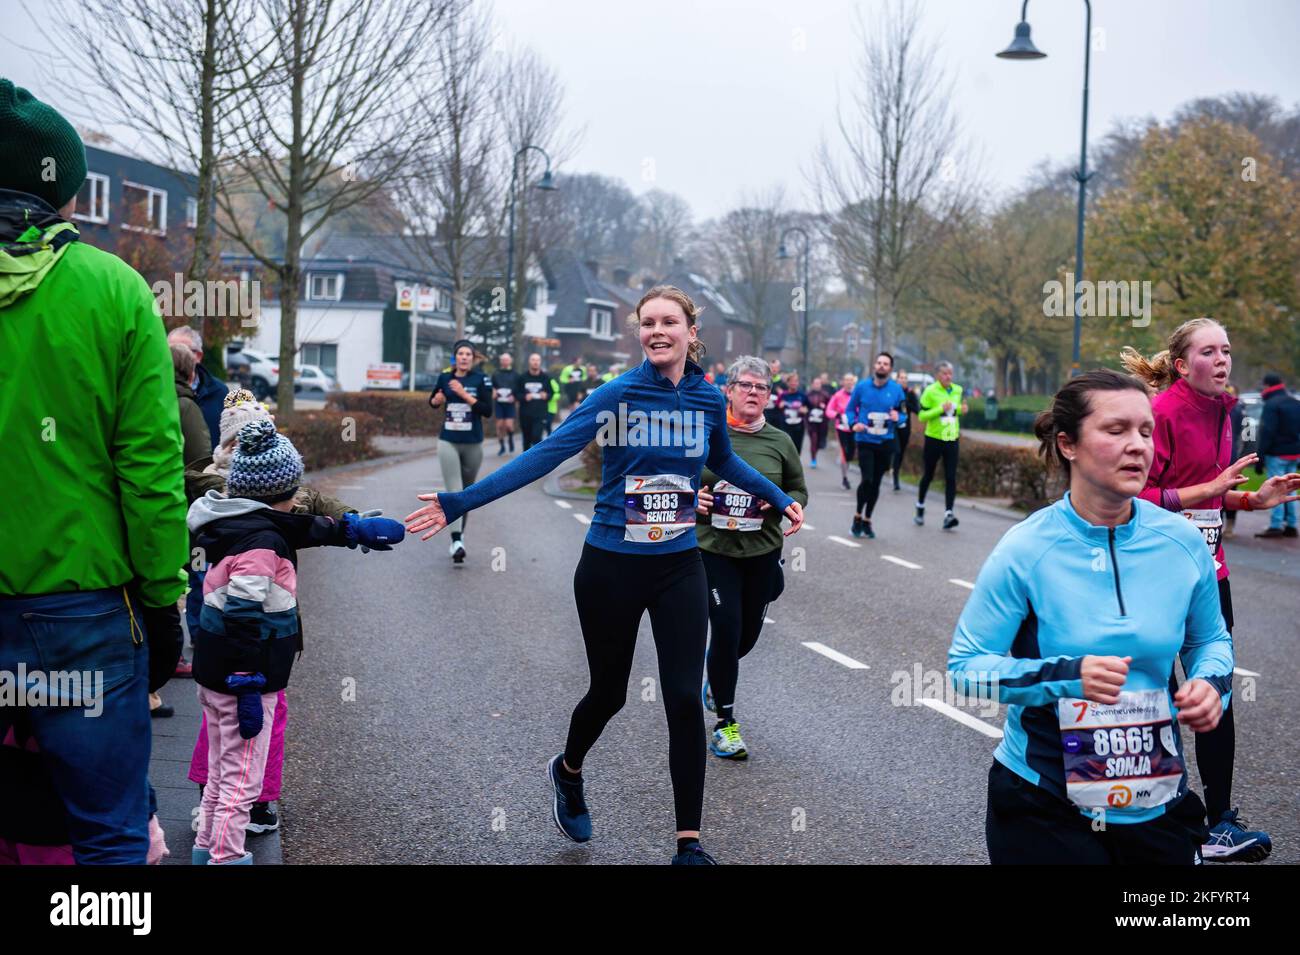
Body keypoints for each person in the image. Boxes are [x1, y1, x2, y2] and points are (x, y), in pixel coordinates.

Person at [404, 285, 804, 865]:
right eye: (647, 323)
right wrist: (462, 499)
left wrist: (776, 496)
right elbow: (548, 452)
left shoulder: (708, 399)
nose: (658, 331)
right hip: (611, 566)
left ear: (692, 332)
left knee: (683, 700)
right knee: (609, 692)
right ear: (639, 332)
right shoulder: (616, 395)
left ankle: (688, 845)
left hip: (679, 565)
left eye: (669, 321)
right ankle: (568, 771)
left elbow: (725, 459)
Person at [0, 79, 187, 863]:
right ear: (63, 189)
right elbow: (150, 465)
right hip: (82, 612)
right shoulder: (114, 289)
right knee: (110, 831)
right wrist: (165, 595)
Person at [951, 369, 1234, 864]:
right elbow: (967, 667)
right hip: (1045, 802)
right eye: (1116, 430)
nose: (1138, 446)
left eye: (1146, 431)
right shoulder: (1026, 549)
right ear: (1068, 444)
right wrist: (1068, 676)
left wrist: (1212, 684)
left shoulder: (1182, 543)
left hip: (1154, 799)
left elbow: (1210, 640)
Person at [1121, 321, 1299, 860]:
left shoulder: (1226, 410)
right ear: (1182, 364)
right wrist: (1211, 489)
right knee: (1146, 697)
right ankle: (1141, 819)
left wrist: (1253, 502)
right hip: (1150, 575)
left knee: (1213, 695)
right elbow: (1132, 496)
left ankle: (1219, 823)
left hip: (1208, 576)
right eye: (1208, 351)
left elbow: (1211, 500)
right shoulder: (1163, 414)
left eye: (1226, 350)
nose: (1222, 360)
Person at [188, 421, 404, 864]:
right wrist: (247, 680)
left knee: (219, 773)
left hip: (215, 674)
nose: (299, 496)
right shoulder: (263, 545)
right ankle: (226, 859)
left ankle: (205, 846)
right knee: (241, 779)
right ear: (280, 492)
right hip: (245, 679)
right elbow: (244, 615)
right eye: (294, 488)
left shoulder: (243, 522)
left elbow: (300, 527)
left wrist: (350, 529)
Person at [695, 357, 808, 759]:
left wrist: (784, 505)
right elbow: (679, 482)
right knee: (725, 627)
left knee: (744, 638)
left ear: (769, 396)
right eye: (745, 385)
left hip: (762, 552)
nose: (753, 393)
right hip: (713, 551)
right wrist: (696, 500)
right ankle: (725, 725)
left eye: (761, 388)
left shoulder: (780, 442)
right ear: (728, 390)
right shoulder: (708, 435)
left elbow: (797, 489)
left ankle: (716, 674)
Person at [428, 340, 493, 564]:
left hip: (473, 443)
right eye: (460, 354)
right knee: (454, 491)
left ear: (473, 358)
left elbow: (487, 411)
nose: (464, 357)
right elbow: (434, 400)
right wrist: (436, 401)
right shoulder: (445, 378)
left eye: (468, 354)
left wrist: (464, 394)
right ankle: (456, 541)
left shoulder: (481, 379)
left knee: (466, 494)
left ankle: (459, 534)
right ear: (455, 357)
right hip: (448, 441)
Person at [847, 353, 905, 539]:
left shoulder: (896, 390)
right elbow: (850, 409)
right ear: (874, 366)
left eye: (885, 364)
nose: (881, 366)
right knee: (867, 479)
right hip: (865, 440)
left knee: (877, 482)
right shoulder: (862, 386)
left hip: (885, 442)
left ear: (890, 368)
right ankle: (857, 516)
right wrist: (853, 423)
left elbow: (903, 414)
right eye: (879, 363)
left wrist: (899, 417)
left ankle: (867, 519)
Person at [915, 361, 967, 530]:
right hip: (934, 438)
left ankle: (948, 514)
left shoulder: (957, 390)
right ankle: (920, 506)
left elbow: (955, 410)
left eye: (950, 373)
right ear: (938, 375)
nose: (948, 376)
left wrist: (961, 409)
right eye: (945, 373)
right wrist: (939, 409)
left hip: (952, 438)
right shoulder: (930, 391)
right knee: (928, 475)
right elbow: (922, 416)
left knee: (951, 477)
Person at [167, 325, 227, 453]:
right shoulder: (156, 391)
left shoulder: (219, 392)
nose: (172, 356)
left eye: (181, 350)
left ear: (198, 356)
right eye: (169, 350)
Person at [1254, 373, 1300, 539]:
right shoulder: (1295, 402)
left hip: (1277, 453)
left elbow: (1267, 432)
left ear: (1267, 386)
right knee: (1291, 488)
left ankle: (1275, 525)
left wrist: (1260, 457)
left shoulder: (1272, 405)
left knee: (1276, 489)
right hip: (1294, 452)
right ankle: (1292, 525)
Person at [517, 353, 557, 451]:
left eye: (537, 360)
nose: (535, 362)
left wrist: (546, 395)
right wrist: (524, 397)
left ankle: (536, 461)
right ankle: (524, 461)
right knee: (526, 439)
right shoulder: (522, 377)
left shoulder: (546, 377)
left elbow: (551, 393)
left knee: (536, 437)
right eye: (533, 360)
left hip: (540, 413)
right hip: (525, 413)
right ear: (529, 362)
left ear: (540, 362)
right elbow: (516, 394)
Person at [826, 373, 857, 490]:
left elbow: (862, 408)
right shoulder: (837, 395)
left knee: (851, 453)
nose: (849, 383)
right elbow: (828, 410)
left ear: (853, 382)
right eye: (846, 380)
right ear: (843, 382)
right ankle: (845, 478)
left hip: (854, 427)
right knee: (844, 452)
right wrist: (837, 415)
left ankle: (847, 466)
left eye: (851, 380)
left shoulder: (856, 395)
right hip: (841, 428)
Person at [892, 370, 920, 492]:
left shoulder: (910, 393)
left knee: (901, 451)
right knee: (896, 450)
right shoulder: (891, 392)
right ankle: (895, 479)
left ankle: (895, 470)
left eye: (905, 378)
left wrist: (907, 403)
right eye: (901, 378)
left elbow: (917, 410)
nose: (903, 380)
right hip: (892, 426)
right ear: (896, 380)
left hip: (905, 426)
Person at [492, 352, 520, 456]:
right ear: (500, 361)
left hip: (510, 403)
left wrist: (515, 397)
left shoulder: (515, 374)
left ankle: (511, 439)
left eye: (507, 360)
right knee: (499, 426)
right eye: (503, 360)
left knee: (508, 425)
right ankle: (502, 446)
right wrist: (493, 392)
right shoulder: (496, 373)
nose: (505, 361)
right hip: (499, 402)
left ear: (510, 361)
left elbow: (519, 388)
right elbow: (492, 386)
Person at [775, 370, 808, 455]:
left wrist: (805, 410)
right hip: (785, 425)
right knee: (786, 447)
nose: (793, 383)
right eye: (791, 381)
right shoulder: (783, 395)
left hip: (798, 426)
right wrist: (780, 405)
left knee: (797, 449)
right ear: (788, 383)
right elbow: (777, 406)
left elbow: (808, 408)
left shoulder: (802, 395)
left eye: (796, 381)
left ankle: (795, 467)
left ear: (798, 383)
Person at [804, 375, 829, 469]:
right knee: (813, 440)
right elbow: (803, 405)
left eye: (818, 383)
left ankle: (815, 452)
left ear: (821, 385)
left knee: (819, 442)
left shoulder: (825, 395)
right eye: (815, 383)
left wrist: (825, 407)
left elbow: (830, 406)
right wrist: (805, 410)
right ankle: (813, 459)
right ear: (812, 384)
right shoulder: (808, 394)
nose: (817, 385)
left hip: (822, 422)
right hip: (811, 421)